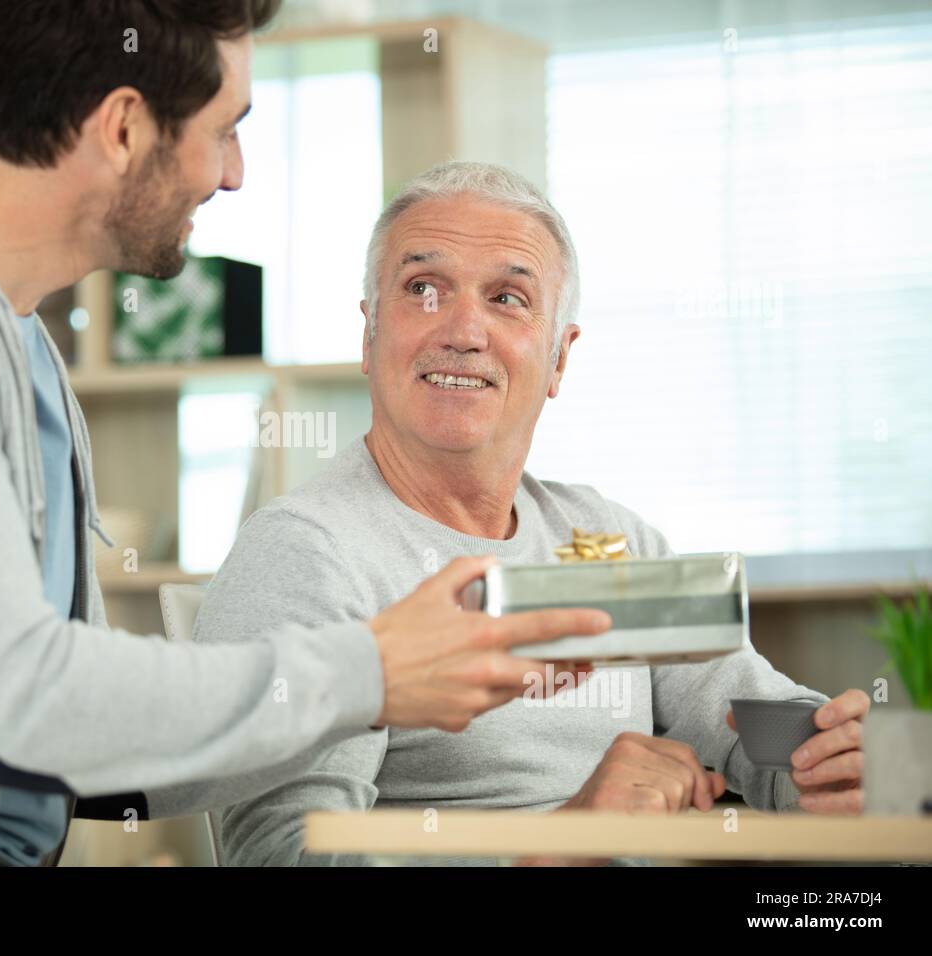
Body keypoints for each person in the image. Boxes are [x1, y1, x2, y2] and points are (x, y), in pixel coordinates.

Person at [0, 2, 611, 866]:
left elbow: (78, 752)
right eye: (226, 131)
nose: (233, 175)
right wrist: (369, 668)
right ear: (125, 126)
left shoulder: (22, 353)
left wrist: (378, 699)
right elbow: (21, 691)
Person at [193, 161, 870, 866]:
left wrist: (833, 761)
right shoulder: (304, 552)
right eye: (423, 288)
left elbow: (747, 720)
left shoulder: (611, 538)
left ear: (558, 359)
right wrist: (558, 850)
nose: (462, 330)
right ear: (369, 335)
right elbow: (287, 859)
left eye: (508, 298)